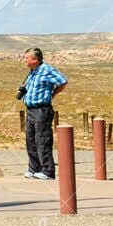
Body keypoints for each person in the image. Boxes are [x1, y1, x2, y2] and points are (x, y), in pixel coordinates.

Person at [19, 47, 67, 180]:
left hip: (42, 109)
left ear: (35, 59)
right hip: (30, 109)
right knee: (31, 140)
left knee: (42, 140)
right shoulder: (32, 72)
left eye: (27, 58)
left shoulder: (46, 69)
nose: (25, 60)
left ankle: (47, 170)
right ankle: (34, 168)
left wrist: (53, 94)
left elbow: (63, 81)